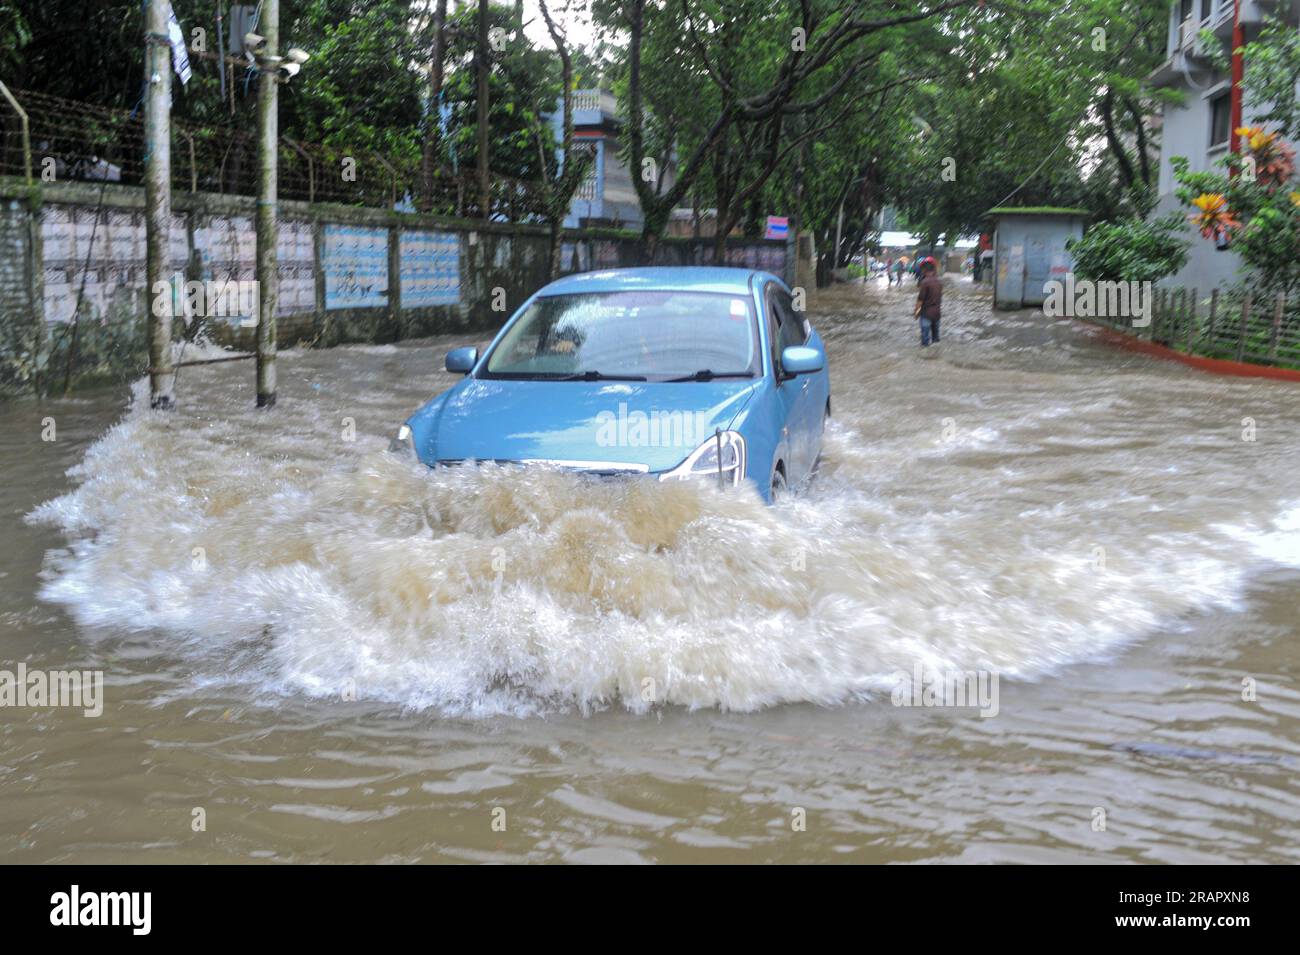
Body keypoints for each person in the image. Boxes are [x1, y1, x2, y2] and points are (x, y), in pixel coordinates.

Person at [914, 257, 942, 347]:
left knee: (925, 342)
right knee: (935, 341)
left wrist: (916, 313)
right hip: (937, 314)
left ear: (924, 269)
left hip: (926, 314)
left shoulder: (925, 282)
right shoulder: (939, 282)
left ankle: (926, 359)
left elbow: (920, 300)